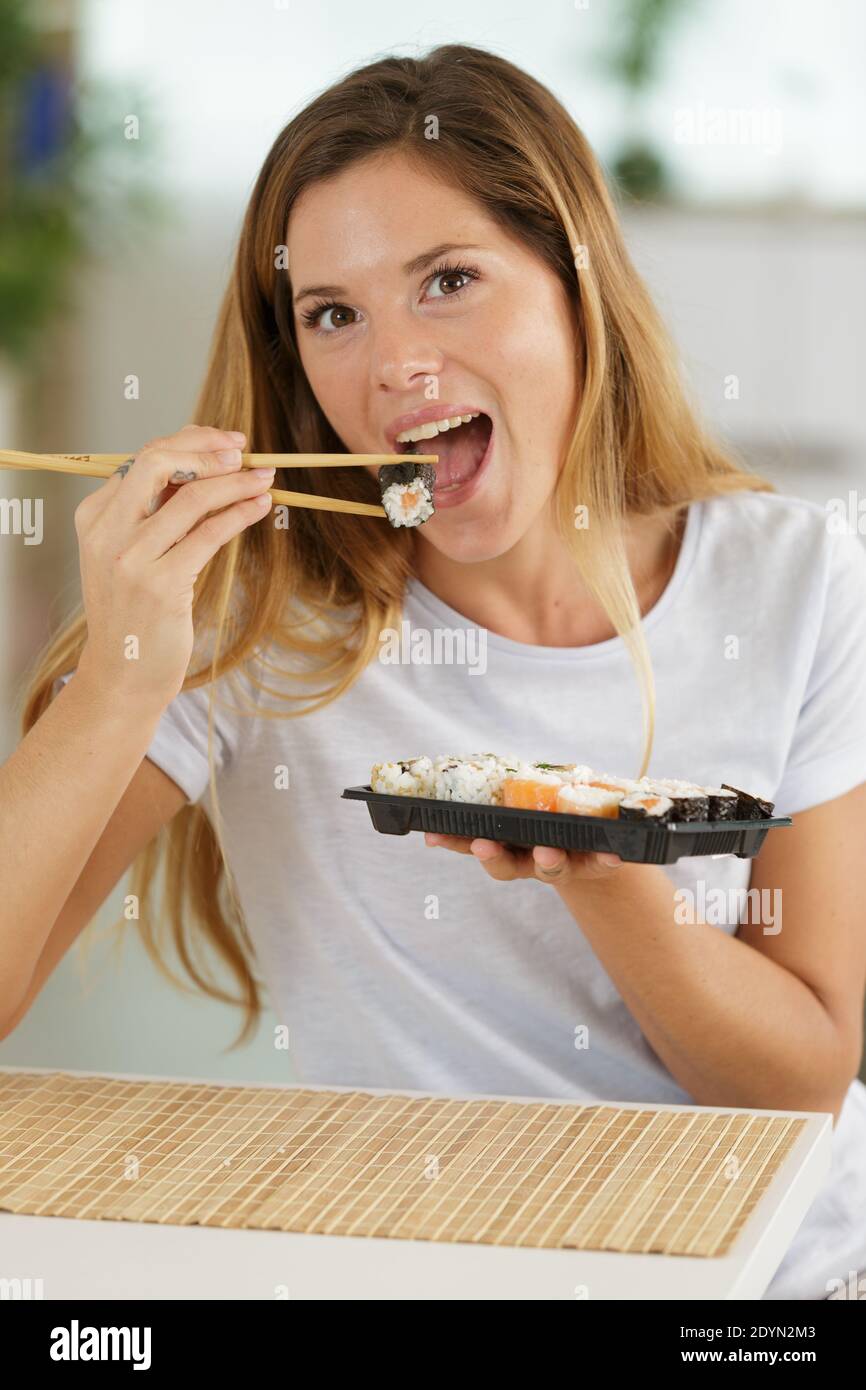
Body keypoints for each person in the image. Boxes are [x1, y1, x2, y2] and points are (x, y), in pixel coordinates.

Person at [2, 45, 865, 1301]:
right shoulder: (250, 612)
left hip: (777, 1289)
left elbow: (799, 1081)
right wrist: (120, 679)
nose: (394, 363)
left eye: (448, 281)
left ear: (576, 286)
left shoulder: (800, 580)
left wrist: (603, 872)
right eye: (332, 313)